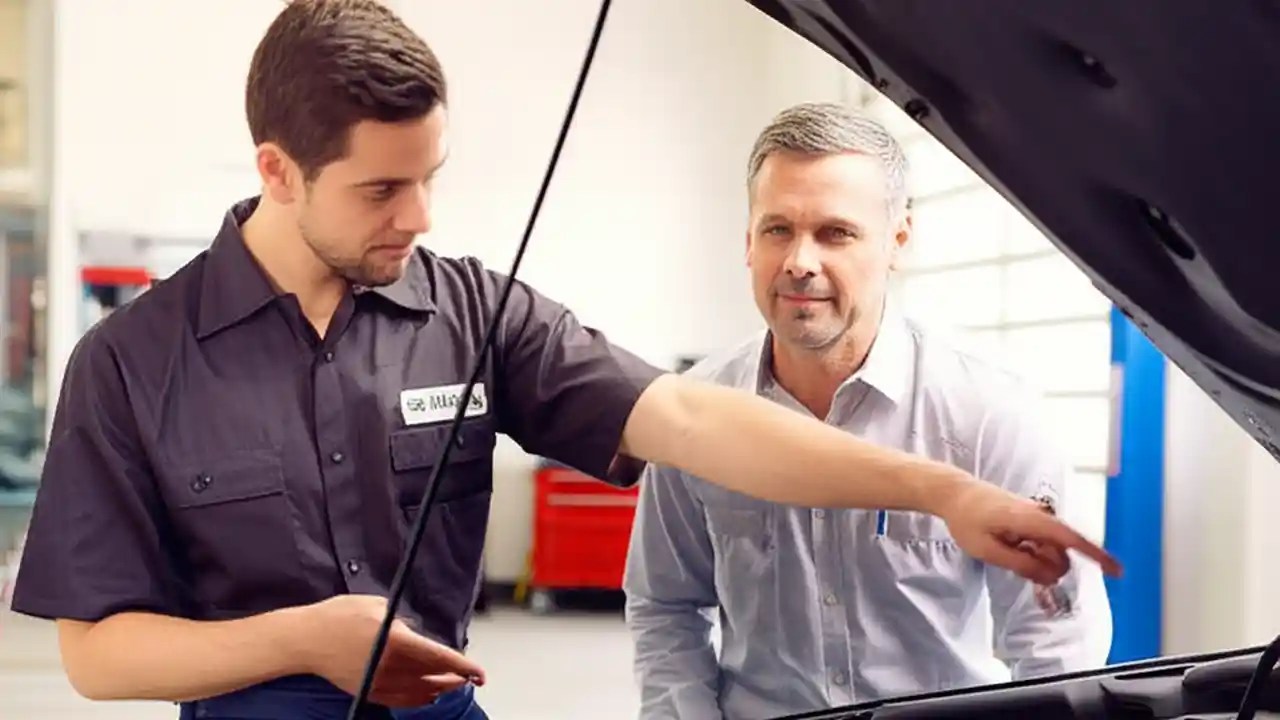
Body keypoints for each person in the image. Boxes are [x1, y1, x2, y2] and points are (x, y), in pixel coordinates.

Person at [10, 4, 1116, 719]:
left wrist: (939, 489)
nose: (420, 214)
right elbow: (98, 657)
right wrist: (311, 639)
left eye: (431, 174)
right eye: (382, 189)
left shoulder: (469, 310)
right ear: (279, 170)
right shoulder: (130, 363)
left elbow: (691, 420)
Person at [622, 102, 1115, 719]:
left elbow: (1055, 646)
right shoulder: (696, 413)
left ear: (897, 241)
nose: (801, 261)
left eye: (836, 232)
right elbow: (665, 606)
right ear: (748, 240)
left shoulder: (988, 414)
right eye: (778, 229)